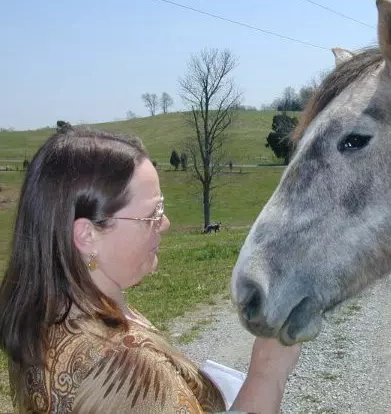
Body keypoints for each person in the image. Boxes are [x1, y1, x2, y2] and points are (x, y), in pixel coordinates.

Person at [0, 127, 301, 413]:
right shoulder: (125, 368)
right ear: (87, 235)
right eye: (152, 214)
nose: (166, 223)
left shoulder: (47, 311)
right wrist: (267, 369)